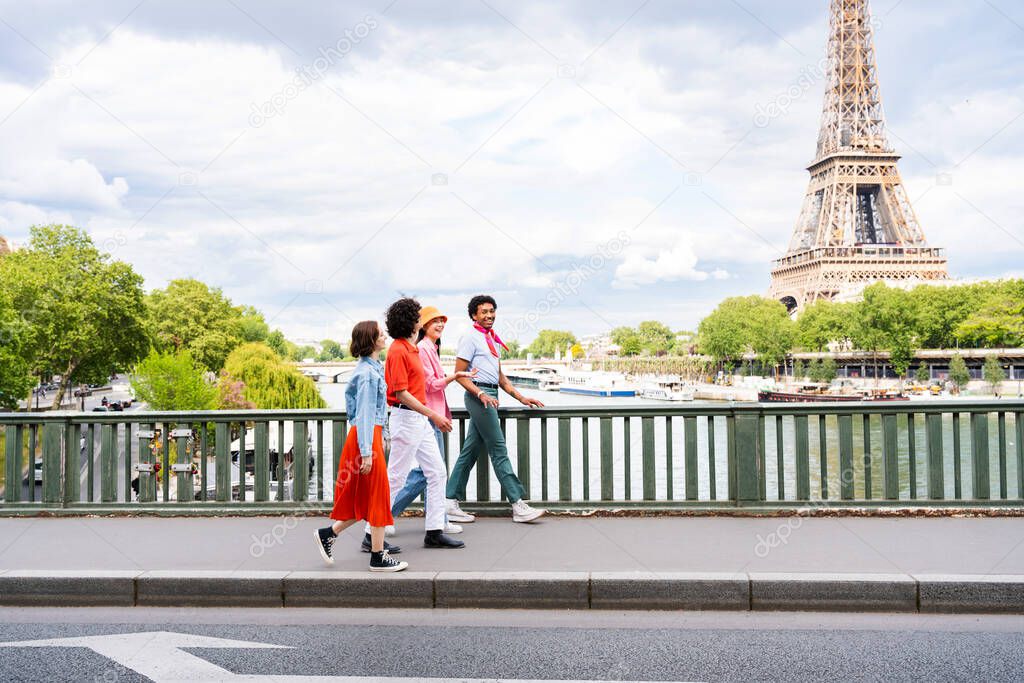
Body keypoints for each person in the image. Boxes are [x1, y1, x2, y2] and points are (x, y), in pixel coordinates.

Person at [314, 320, 407, 572]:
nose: (385, 336)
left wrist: (381, 436)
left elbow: (363, 415)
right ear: (371, 340)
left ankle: (329, 534)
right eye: (380, 334)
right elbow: (365, 415)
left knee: (369, 497)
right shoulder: (367, 374)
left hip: (367, 437)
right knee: (378, 496)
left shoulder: (370, 369)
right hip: (366, 440)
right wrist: (367, 452)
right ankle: (377, 556)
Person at [445, 295, 546, 523]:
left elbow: (500, 378)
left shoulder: (491, 339)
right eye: (484, 312)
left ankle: (450, 501)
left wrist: (522, 398)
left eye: (492, 311)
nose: (489, 315)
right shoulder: (470, 338)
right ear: (474, 315)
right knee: (499, 449)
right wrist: (480, 394)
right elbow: (459, 375)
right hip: (479, 395)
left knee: (470, 451)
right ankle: (518, 504)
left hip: (491, 394)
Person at [384, 306, 477, 532]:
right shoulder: (401, 350)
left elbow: (418, 387)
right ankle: (375, 524)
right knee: (398, 477)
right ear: (415, 323)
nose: (422, 319)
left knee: (436, 472)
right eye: (421, 317)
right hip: (411, 417)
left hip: (419, 417)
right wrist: (434, 414)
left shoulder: (414, 349)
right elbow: (404, 392)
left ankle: (435, 529)